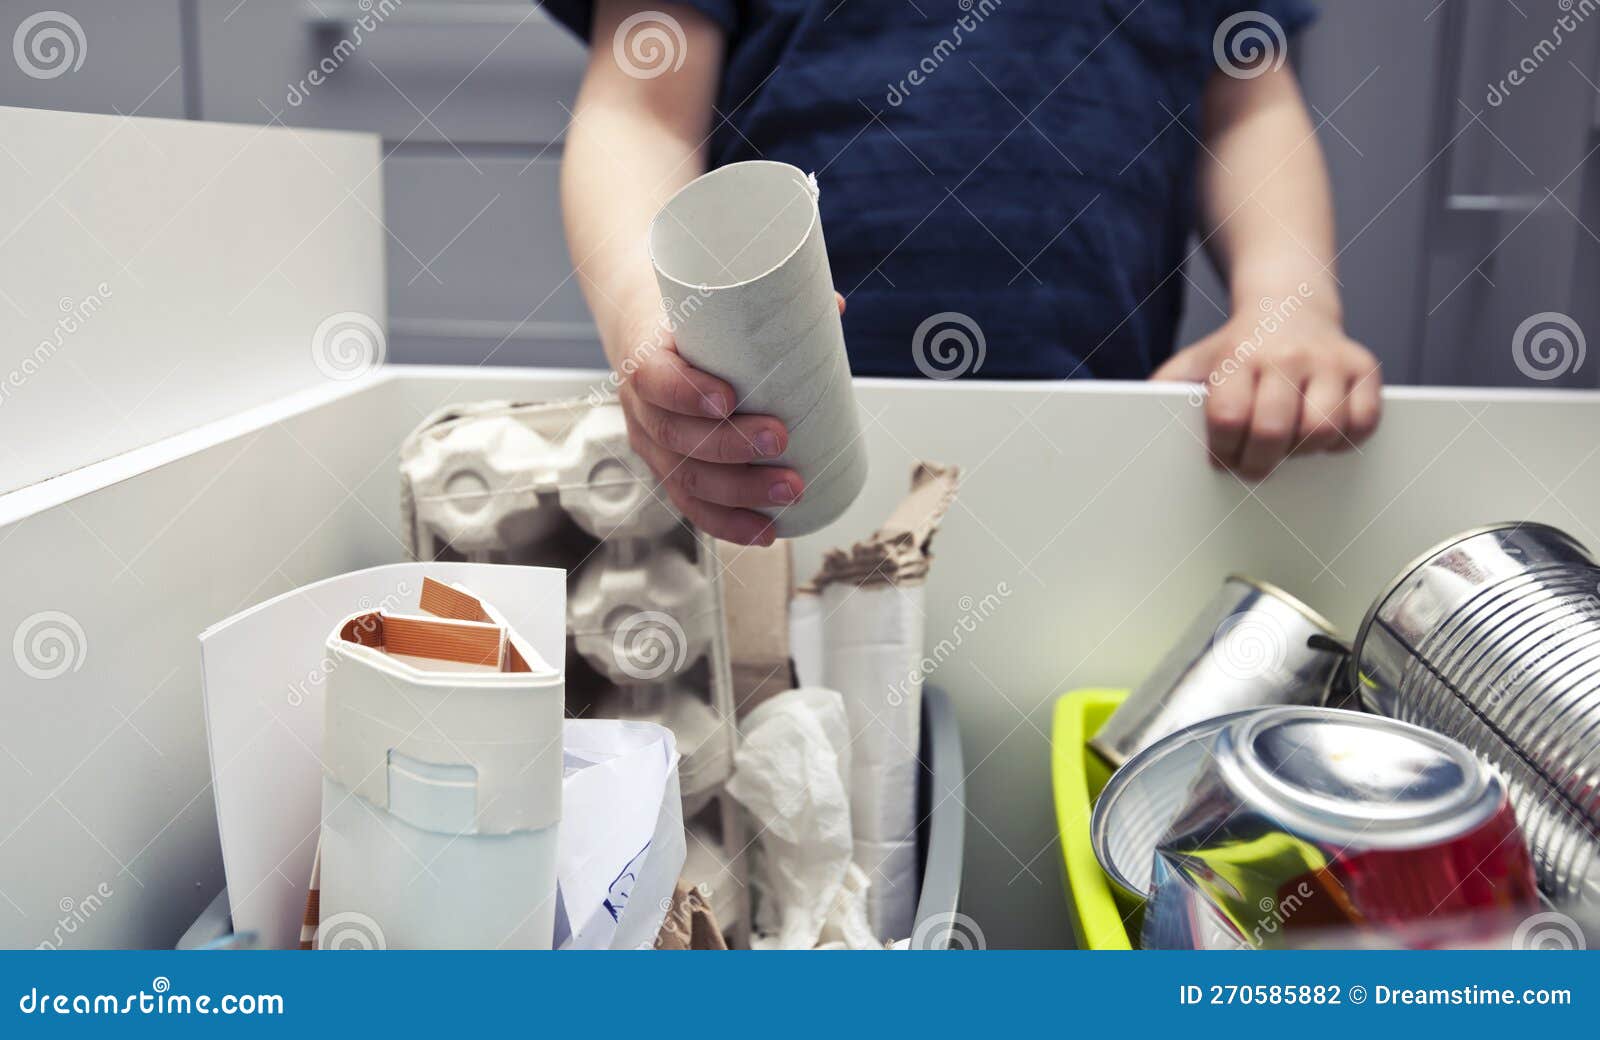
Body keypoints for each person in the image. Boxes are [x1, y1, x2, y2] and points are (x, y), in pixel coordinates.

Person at [550, 0, 1382, 546]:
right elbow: (640, 112)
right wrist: (644, 319)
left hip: (1090, 454)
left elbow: (1248, 106)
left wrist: (1289, 305)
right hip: (761, 461)